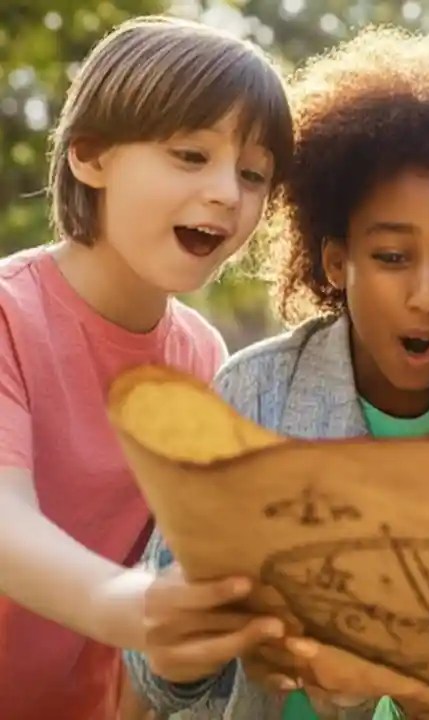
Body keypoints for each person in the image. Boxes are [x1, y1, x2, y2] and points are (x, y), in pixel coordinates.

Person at [122, 24, 429, 719]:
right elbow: (156, 677)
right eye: (392, 258)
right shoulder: (253, 397)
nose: (427, 295)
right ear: (337, 262)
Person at [0, 16, 293, 720]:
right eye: (191, 155)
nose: (228, 191)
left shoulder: (204, 360)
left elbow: (178, 568)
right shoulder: (10, 316)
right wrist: (119, 604)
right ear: (90, 157)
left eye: (253, 174)